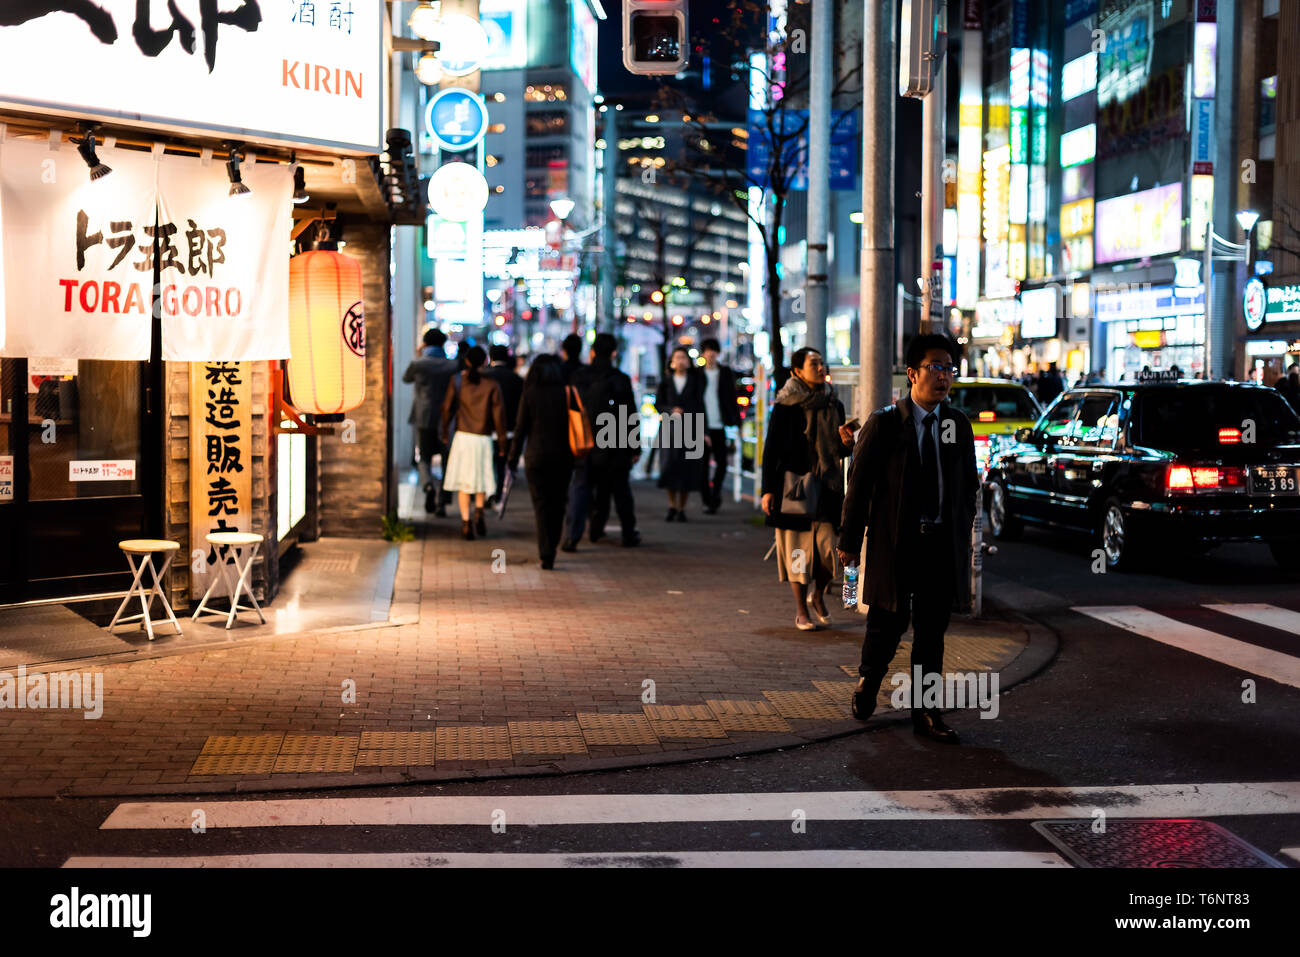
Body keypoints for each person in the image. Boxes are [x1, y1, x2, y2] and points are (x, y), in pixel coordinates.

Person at [837, 333, 978, 745]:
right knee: (887, 624)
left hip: (938, 544)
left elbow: (967, 485)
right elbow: (858, 486)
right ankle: (869, 682)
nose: (944, 377)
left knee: (933, 632)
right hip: (896, 543)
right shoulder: (884, 424)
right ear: (913, 373)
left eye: (949, 369)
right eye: (936, 367)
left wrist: (962, 528)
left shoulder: (956, 425)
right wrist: (849, 541)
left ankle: (927, 711)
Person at [761, 347, 856, 631]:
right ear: (797, 371)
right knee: (797, 553)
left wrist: (846, 443)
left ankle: (819, 594)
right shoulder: (786, 405)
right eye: (813, 363)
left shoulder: (833, 403)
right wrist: (768, 490)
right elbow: (772, 449)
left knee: (830, 552)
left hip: (826, 486)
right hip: (794, 487)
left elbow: (838, 451)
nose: (819, 366)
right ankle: (801, 610)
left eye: (820, 362)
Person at [573, 332, 642, 546]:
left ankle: (588, 532)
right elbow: (630, 414)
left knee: (589, 489)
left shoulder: (579, 377)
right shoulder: (620, 379)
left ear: (593, 351)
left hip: (586, 441)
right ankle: (628, 534)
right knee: (620, 490)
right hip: (616, 442)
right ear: (614, 353)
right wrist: (634, 447)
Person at [508, 355, 574, 570]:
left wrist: (512, 457)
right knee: (558, 503)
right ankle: (552, 546)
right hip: (563, 457)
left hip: (535, 457)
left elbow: (520, 429)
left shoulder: (530, 393)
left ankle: (545, 552)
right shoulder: (567, 394)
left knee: (541, 504)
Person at [440, 345, 508, 540]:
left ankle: (466, 523)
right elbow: (499, 416)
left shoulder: (457, 381)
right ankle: (479, 511)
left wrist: (445, 432)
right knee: (481, 479)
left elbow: (446, 408)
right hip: (483, 438)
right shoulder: (492, 385)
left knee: (464, 482)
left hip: (463, 436)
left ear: (467, 361)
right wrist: (502, 443)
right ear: (485, 362)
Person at [403, 328, 459, 515]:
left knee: (424, 457)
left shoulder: (418, 363)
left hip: (423, 416)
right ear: (443, 344)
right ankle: (442, 502)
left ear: (425, 343)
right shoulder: (452, 365)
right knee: (446, 460)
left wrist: (419, 355)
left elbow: (406, 379)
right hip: (446, 420)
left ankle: (428, 486)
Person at [655, 346, 707, 520]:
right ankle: (671, 505)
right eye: (677, 357)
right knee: (669, 466)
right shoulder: (666, 381)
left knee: (687, 468)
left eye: (683, 358)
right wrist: (671, 410)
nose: (680, 361)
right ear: (672, 361)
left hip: (690, 428)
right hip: (669, 428)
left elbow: (700, 405)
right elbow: (658, 404)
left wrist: (703, 432)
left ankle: (681, 508)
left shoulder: (695, 381)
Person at [698, 338, 741, 514]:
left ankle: (715, 493)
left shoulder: (725, 372)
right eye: (708, 350)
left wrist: (736, 420)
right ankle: (707, 499)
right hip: (701, 426)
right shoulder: (697, 374)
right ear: (703, 353)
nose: (711, 354)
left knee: (722, 463)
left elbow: (731, 397)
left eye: (714, 350)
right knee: (701, 466)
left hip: (719, 424)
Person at [483, 344, 524, 503]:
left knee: (486, 462)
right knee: (501, 463)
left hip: (486, 427)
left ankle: (487, 492)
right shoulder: (516, 379)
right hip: (509, 428)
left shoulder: (483, 376)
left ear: (490, 356)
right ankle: (498, 493)